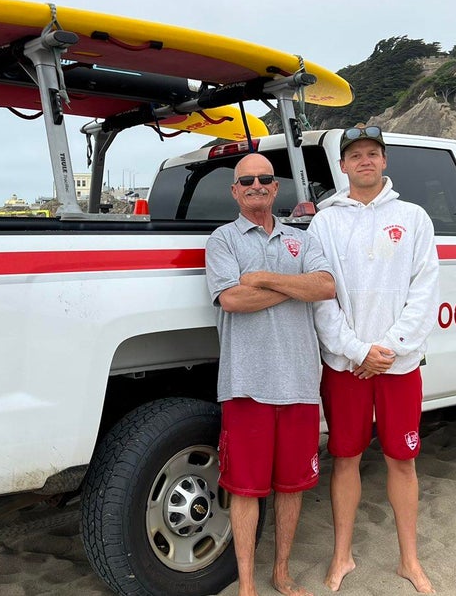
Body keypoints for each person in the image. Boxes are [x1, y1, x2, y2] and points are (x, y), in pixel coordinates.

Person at [307, 126, 440, 594]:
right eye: (355, 155)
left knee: (402, 460)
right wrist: (357, 350)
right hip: (347, 366)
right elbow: (321, 296)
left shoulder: (414, 218)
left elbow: (424, 292)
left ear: (384, 162)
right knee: (345, 458)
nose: (364, 161)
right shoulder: (324, 222)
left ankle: (409, 560)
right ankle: (342, 555)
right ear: (342, 166)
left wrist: (388, 348)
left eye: (373, 154)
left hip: (398, 366)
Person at [205, 152, 336, 596]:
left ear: (276, 188)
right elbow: (232, 301)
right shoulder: (222, 240)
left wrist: (261, 277)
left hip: (300, 381)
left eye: (265, 179)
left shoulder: (301, 237)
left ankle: (281, 572)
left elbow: (325, 286)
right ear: (235, 191)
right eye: (247, 181)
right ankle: (246, 583)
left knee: (293, 485)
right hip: (246, 383)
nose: (257, 185)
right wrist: (292, 286)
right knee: (245, 488)